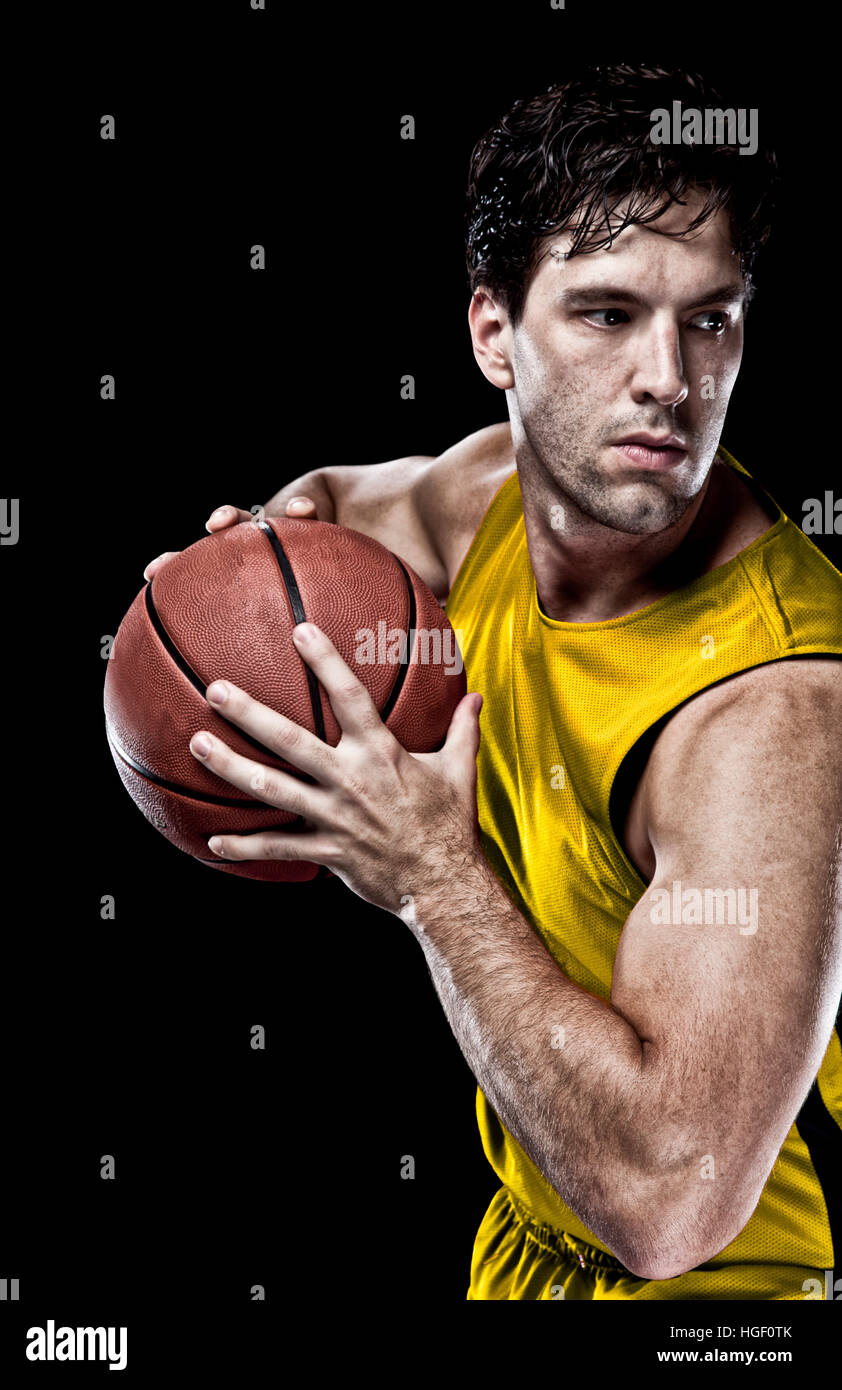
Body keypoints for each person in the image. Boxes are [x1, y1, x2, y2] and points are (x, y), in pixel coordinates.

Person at [144, 65, 842, 1300]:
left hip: (739, 1294)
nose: (668, 381)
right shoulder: (486, 506)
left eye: (710, 319)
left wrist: (427, 876)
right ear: (491, 337)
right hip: (532, 1248)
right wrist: (245, 561)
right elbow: (329, 507)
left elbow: (670, 1200)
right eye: (606, 314)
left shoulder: (770, 714)